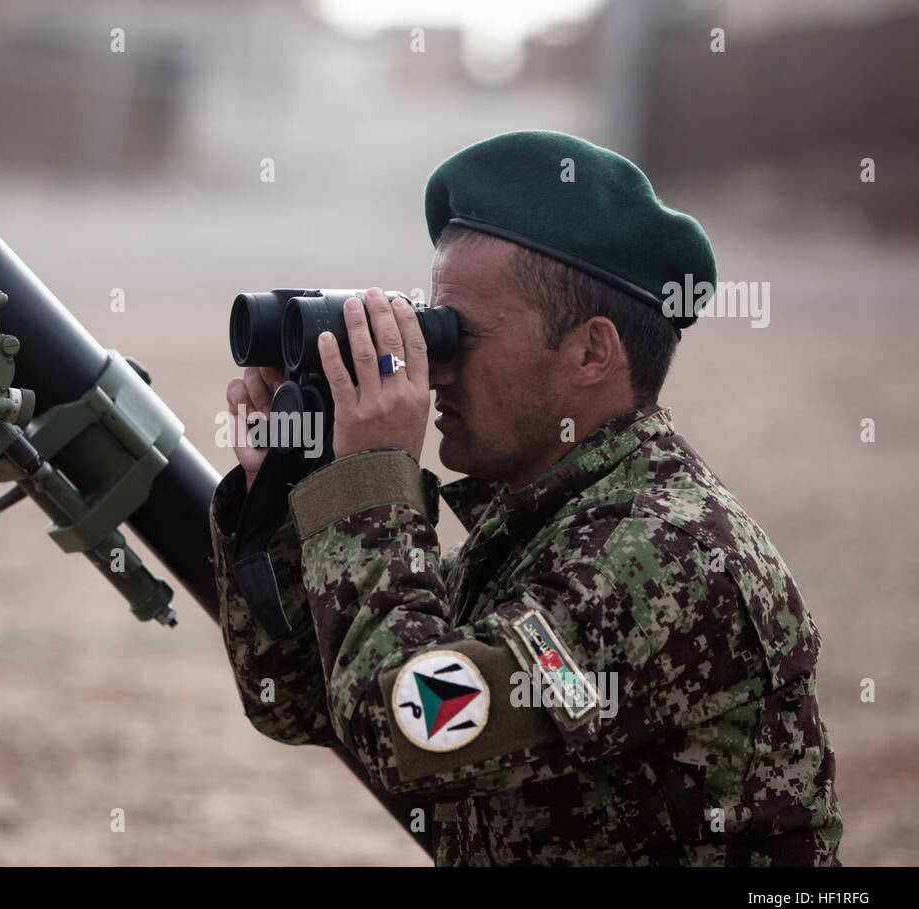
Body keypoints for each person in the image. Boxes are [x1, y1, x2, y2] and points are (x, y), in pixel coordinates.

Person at [209, 130, 843, 865]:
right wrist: (290, 493)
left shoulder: (664, 556)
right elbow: (300, 702)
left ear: (589, 354)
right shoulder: (540, 523)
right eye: (428, 328)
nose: (435, 371)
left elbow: (407, 730)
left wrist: (371, 484)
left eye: (457, 335)